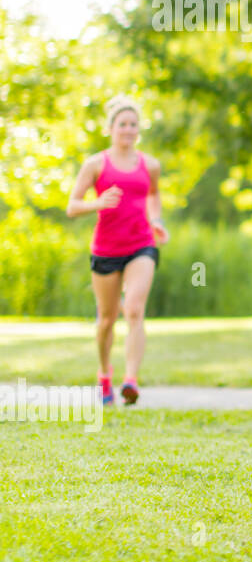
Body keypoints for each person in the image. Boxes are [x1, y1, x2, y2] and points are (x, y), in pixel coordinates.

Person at [66, 96, 169, 406]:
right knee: (107, 320)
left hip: (142, 244)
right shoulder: (95, 164)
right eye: (122, 124)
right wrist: (97, 203)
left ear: (139, 130)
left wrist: (157, 221)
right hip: (107, 248)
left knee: (135, 309)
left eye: (133, 124)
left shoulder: (150, 164)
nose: (128, 129)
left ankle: (131, 381)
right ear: (111, 128)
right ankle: (104, 373)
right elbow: (72, 206)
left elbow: (153, 197)